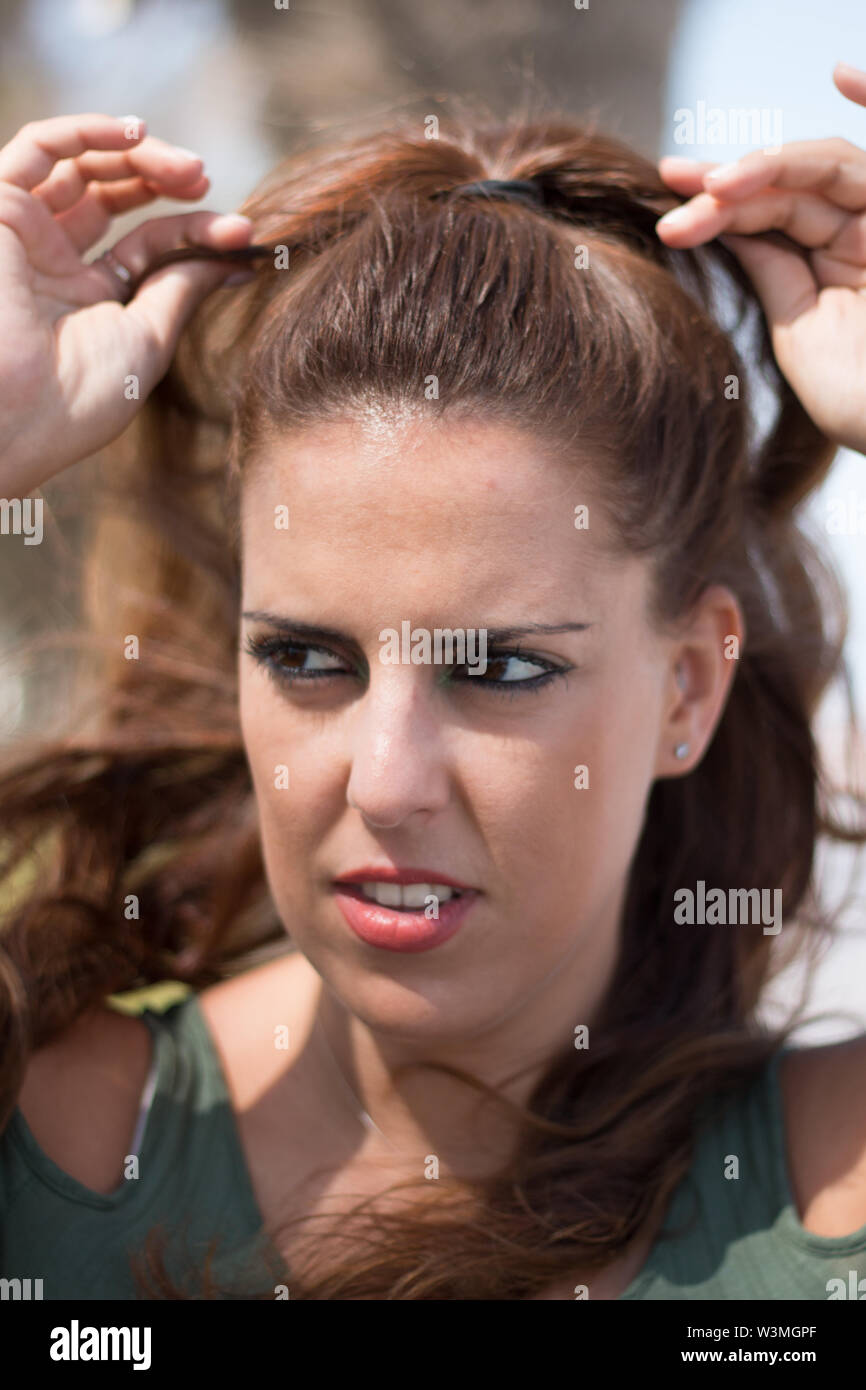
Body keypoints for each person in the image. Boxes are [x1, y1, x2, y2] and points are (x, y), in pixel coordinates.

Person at [1, 65, 865, 1301]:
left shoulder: (828, 1190)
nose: (387, 781)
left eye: (503, 669)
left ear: (685, 690)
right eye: (306, 658)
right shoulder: (51, 1142)